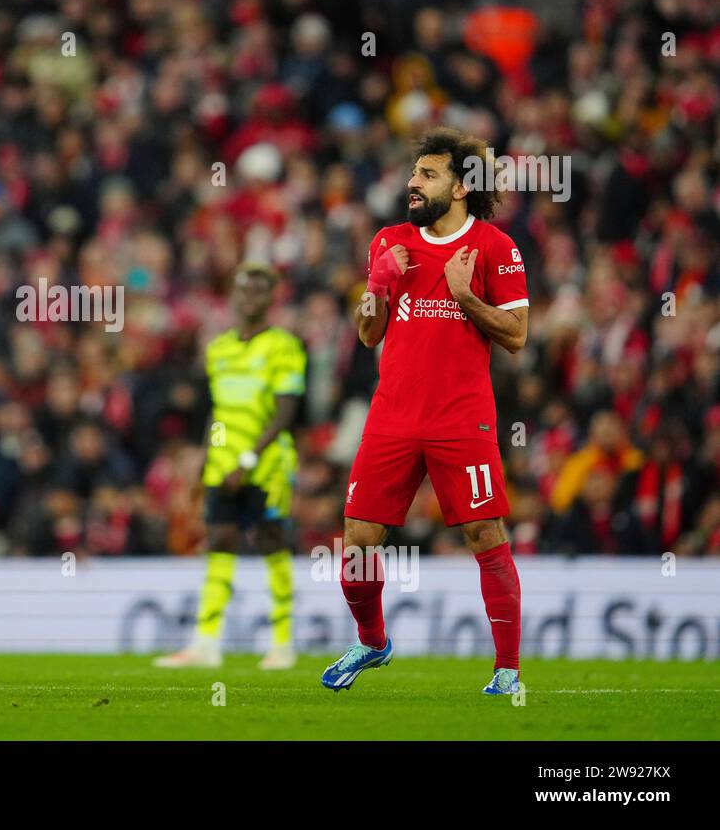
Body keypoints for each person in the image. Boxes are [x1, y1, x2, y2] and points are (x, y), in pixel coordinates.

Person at [321, 128, 527, 695]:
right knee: (358, 540)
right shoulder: (388, 241)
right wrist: (378, 285)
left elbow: (516, 334)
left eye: (427, 175)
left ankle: (507, 670)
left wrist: (464, 297)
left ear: (462, 187)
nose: (412, 182)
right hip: (392, 416)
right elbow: (368, 333)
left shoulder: (493, 248)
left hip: (463, 419)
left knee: (485, 534)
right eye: (413, 174)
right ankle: (371, 641)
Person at [154, 262, 305, 669]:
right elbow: (216, 411)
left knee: (271, 542)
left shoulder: (284, 346)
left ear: (271, 297)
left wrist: (251, 457)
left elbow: (287, 410)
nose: (249, 296)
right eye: (243, 289)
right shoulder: (219, 347)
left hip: (267, 463)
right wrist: (207, 456)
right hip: (225, 463)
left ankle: (283, 643)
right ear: (234, 295)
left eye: (258, 290)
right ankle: (206, 643)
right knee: (220, 541)